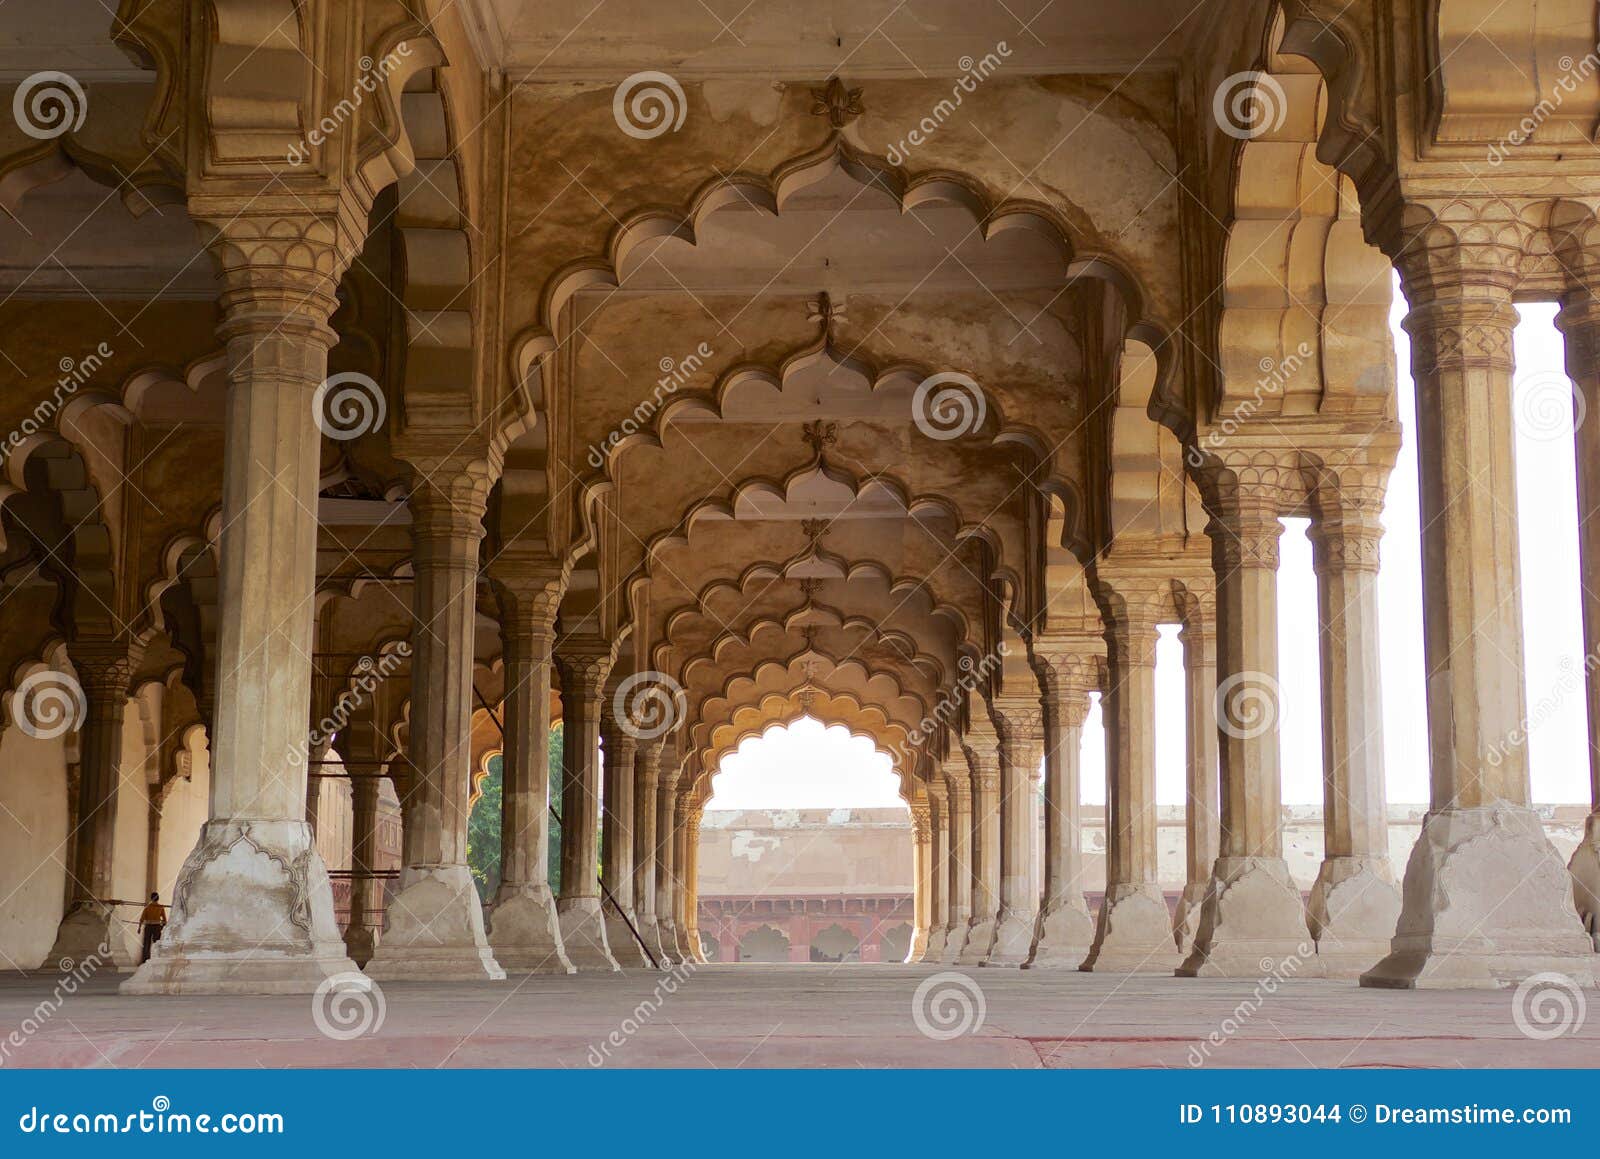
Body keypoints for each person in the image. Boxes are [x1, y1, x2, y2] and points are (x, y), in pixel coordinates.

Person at [138, 892, 167, 963]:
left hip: (148, 926)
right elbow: (164, 920)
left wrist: (139, 927)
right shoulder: (160, 907)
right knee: (156, 943)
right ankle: (156, 959)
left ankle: (145, 960)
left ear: (151, 898)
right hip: (157, 927)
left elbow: (142, 918)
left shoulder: (148, 907)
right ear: (158, 898)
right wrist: (163, 927)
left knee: (146, 943)